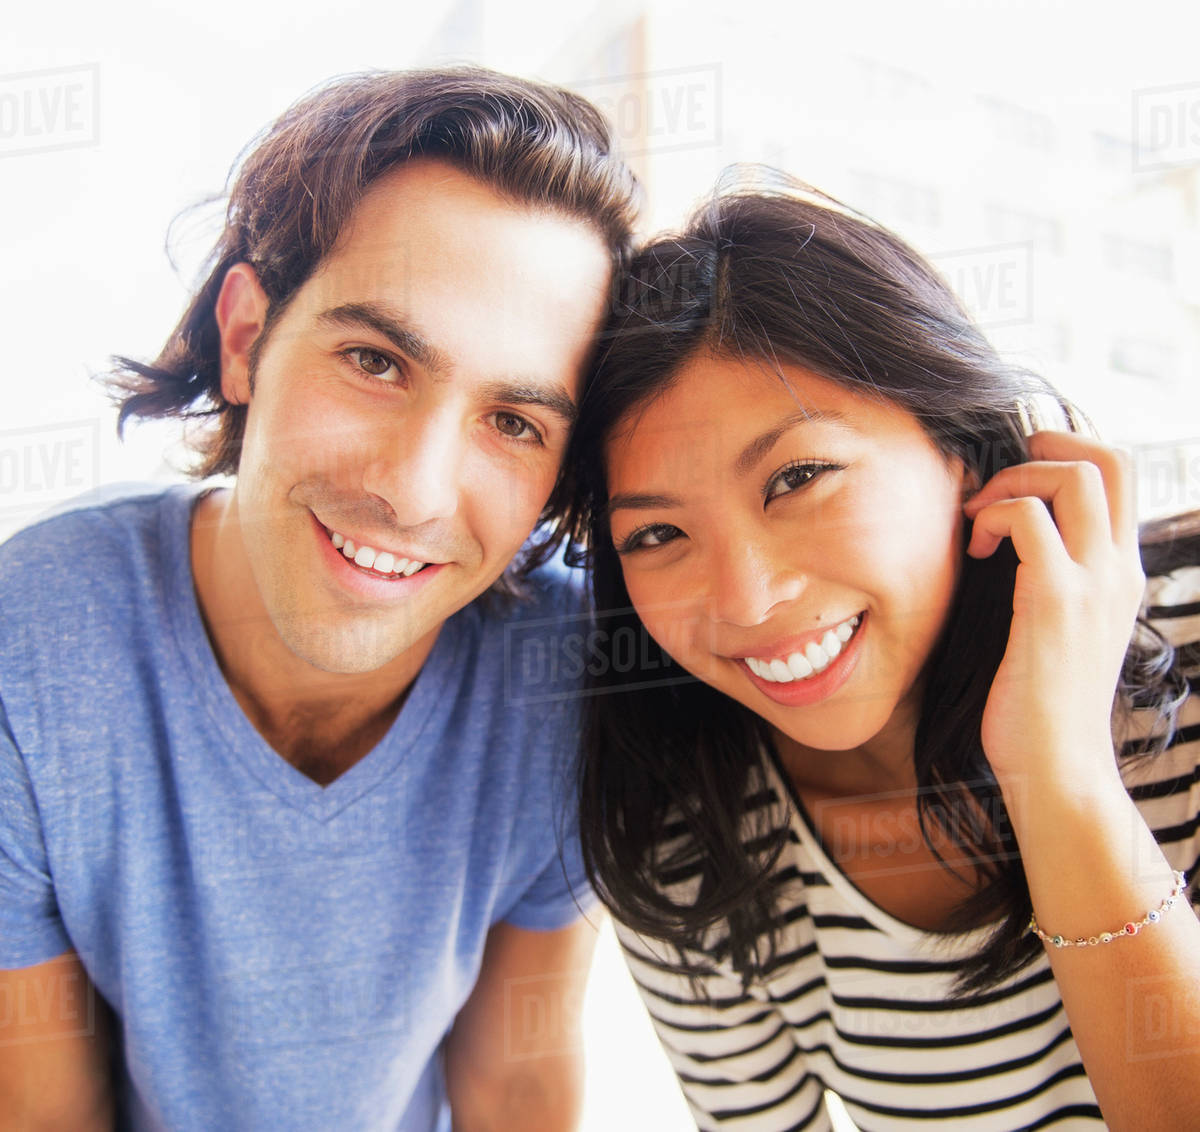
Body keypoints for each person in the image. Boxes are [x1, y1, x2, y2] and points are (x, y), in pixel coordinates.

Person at [0, 67, 638, 1130]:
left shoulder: (561, 676)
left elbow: (515, 1082)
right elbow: (43, 1108)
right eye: (375, 361)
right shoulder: (32, 651)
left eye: (515, 422)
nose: (413, 489)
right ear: (247, 337)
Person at [563, 178, 1200, 1130]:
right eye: (656, 535)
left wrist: (1060, 777)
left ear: (962, 451)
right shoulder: (684, 833)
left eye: (799, 477)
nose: (747, 600)